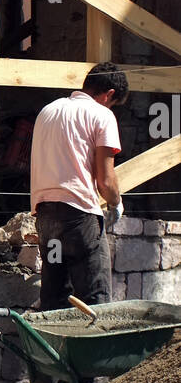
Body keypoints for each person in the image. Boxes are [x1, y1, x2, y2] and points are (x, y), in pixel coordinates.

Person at [30, 62, 129, 311]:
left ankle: (52, 350)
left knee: (54, 299)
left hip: (45, 217)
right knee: (95, 300)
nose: (110, 107)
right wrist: (116, 203)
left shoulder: (47, 111)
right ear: (110, 95)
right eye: (112, 103)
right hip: (79, 218)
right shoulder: (102, 114)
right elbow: (105, 181)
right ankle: (94, 350)